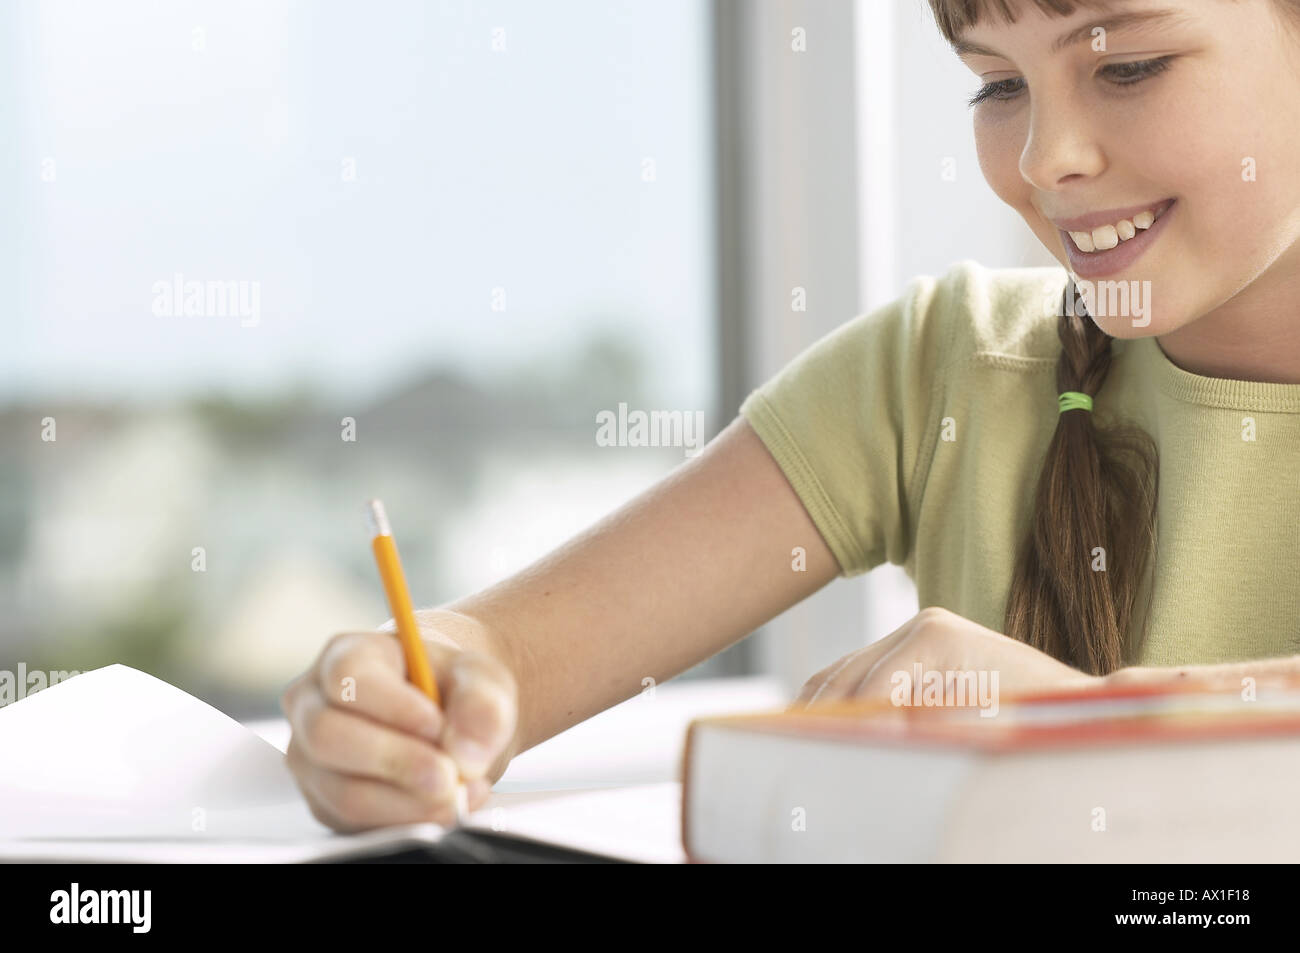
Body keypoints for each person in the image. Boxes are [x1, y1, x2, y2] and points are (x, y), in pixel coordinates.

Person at [282, 0, 1300, 832]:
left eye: (1126, 67)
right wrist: (401, 698)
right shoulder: (947, 368)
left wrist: (1088, 723)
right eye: (997, 83)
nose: (1045, 156)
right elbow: (504, 652)